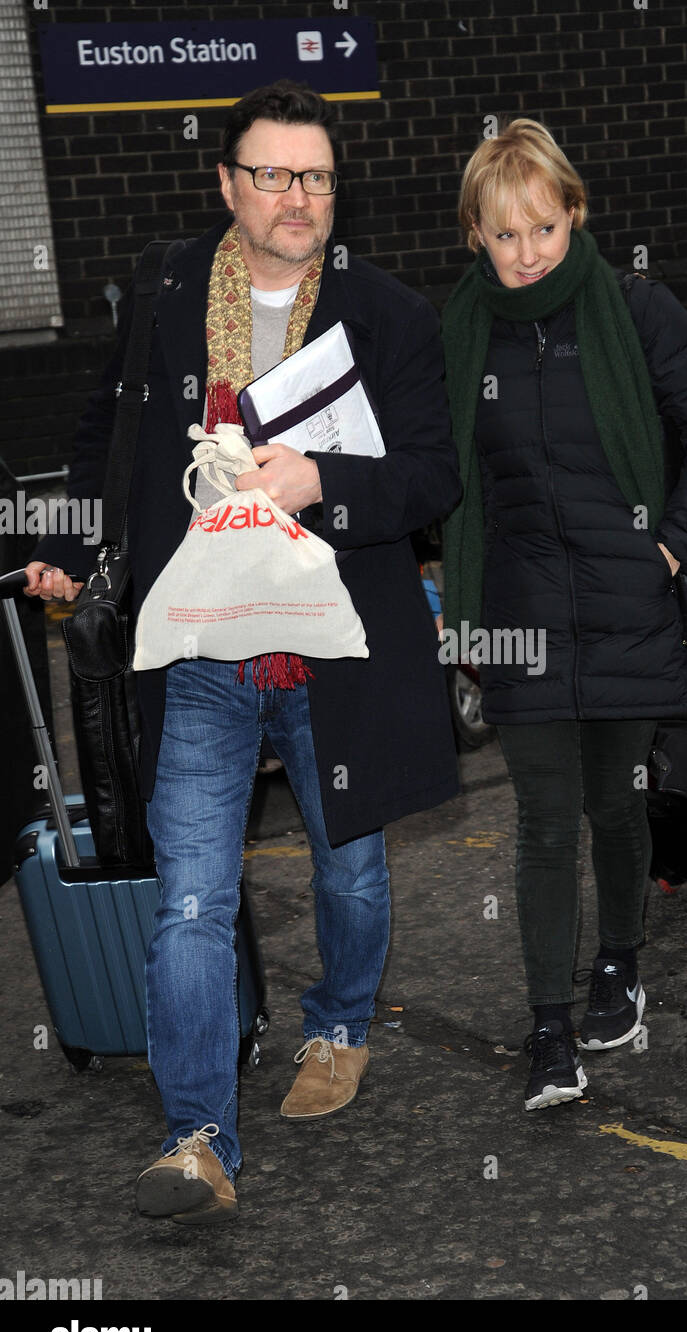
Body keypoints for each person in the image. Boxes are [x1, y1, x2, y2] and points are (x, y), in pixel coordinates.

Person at [24, 80, 462, 1221]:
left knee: (350, 866)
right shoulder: (168, 294)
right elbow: (101, 437)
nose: (295, 195)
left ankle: (339, 1022)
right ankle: (198, 1138)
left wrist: (324, 481)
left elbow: (432, 474)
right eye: (270, 173)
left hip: (332, 653)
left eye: (313, 174)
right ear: (226, 183)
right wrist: (76, 543)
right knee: (188, 903)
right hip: (202, 649)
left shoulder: (391, 315)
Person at [440, 119, 687, 1111]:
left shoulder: (638, 312)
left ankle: (618, 969)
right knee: (543, 820)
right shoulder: (457, 333)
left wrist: (667, 545)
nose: (526, 252)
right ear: (475, 239)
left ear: (574, 214)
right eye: (504, 235)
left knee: (617, 807)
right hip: (520, 612)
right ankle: (548, 1031)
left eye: (542, 227)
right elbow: (442, 480)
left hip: (627, 606)